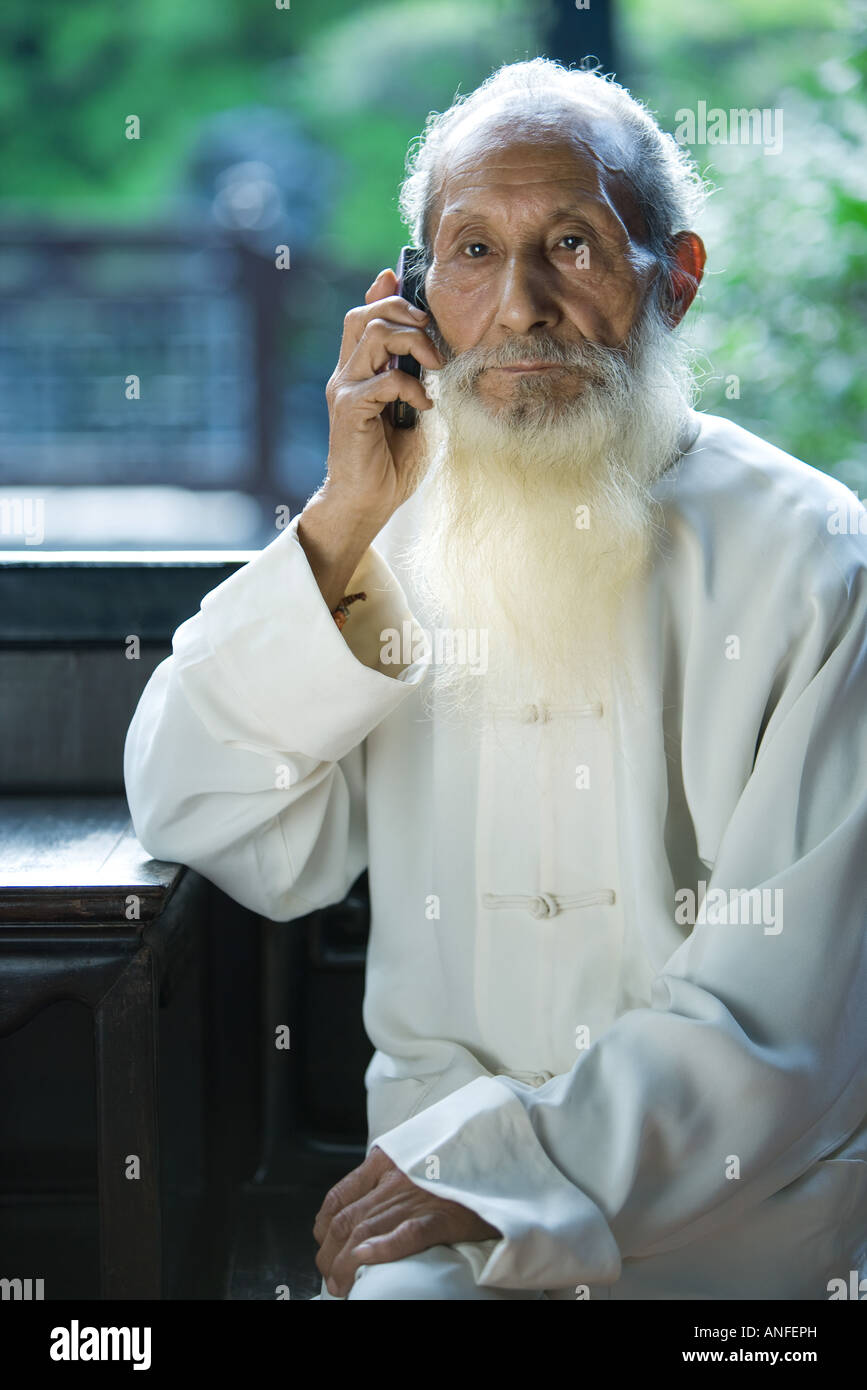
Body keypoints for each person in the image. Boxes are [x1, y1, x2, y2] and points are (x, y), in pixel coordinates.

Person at [123, 58, 867, 1301]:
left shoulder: (815, 558)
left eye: (572, 243)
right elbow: (192, 803)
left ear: (672, 278)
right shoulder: (392, 530)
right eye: (471, 252)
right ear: (414, 299)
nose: (519, 305)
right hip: (434, 1212)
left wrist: (501, 1160)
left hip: (737, 1222)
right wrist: (339, 520)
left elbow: (781, 1024)